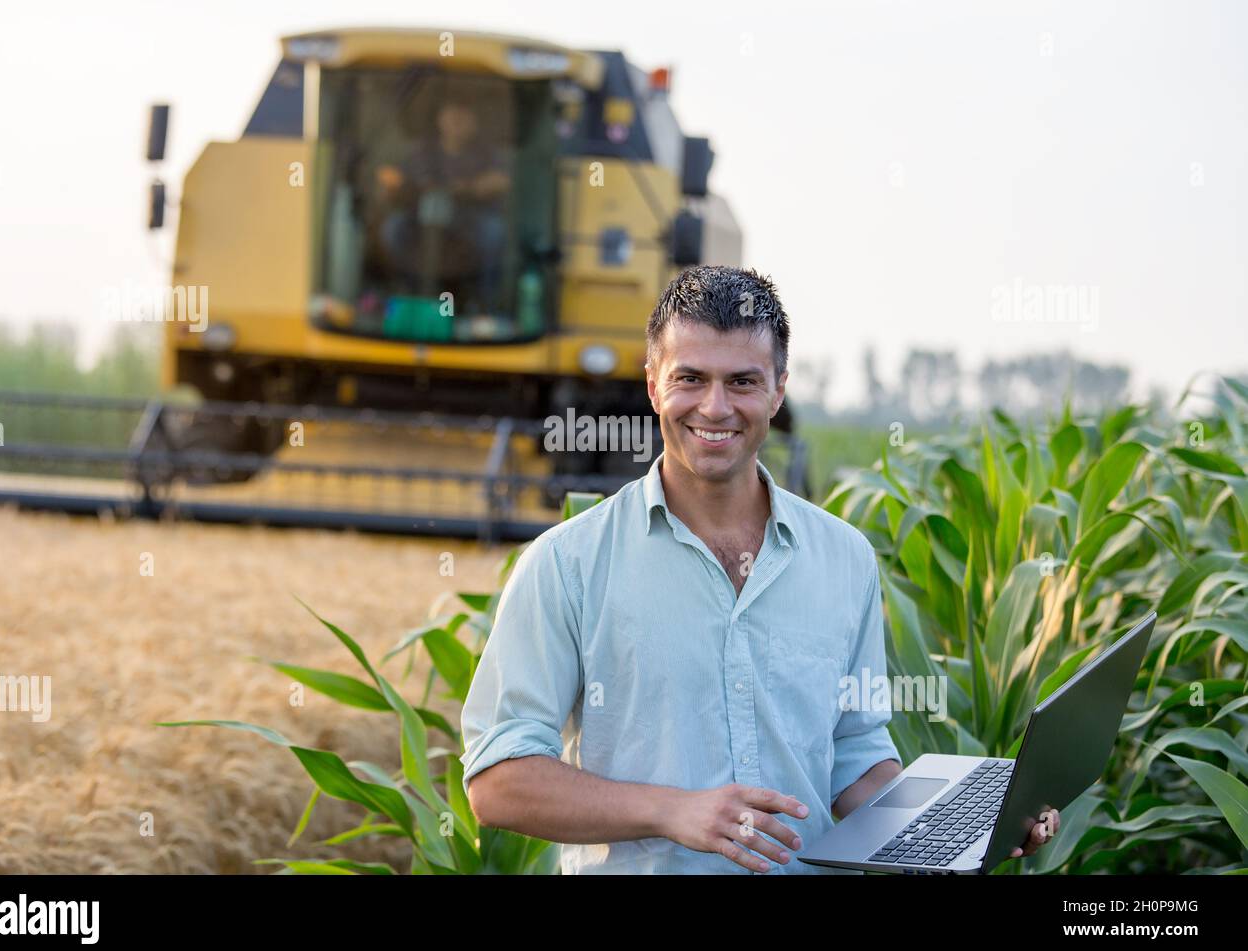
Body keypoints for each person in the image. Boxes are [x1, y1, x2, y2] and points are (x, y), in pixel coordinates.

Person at [459, 265, 1059, 873]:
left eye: (742, 381)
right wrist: (672, 810)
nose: (715, 408)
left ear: (778, 390)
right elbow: (497, 780)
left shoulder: (844, 559)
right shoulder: (567, 564)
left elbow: (854, 758)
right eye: (690, 378)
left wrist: (972, 824)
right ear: (652, 385)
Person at [376, 99, 510, 312]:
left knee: (494, 232)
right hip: (419, 217)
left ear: (474, 122)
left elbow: (501, 181)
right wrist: (398, 184)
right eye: (451, 114)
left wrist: (467, 187)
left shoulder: (486, 153)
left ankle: (486, 306)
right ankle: (402, 292)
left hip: (468, 217)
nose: (456, 120)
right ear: (440, 119)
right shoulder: (422, 150)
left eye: (463, 115)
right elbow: (391, 176)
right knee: (393, 228)